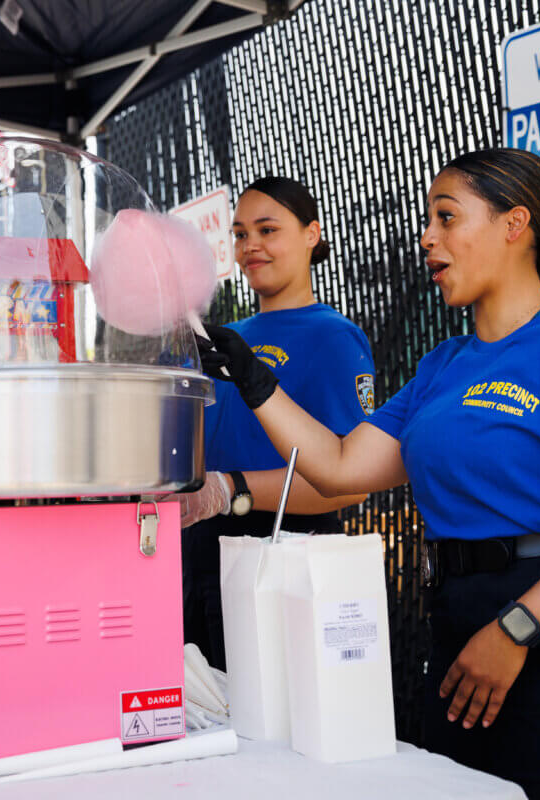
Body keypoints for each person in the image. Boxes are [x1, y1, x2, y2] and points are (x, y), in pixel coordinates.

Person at [196, 149, 540, 798]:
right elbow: (340, 465)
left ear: (514, 225)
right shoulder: (443, 366)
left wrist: (518, 626)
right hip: (466, 630)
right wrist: (254, 379)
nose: (427, 237)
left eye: (447, 217)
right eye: (427, 220)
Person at [177, 177, 374, 671]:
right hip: (201, 556)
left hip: (284, 556)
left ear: (312, 234)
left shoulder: (333, 337)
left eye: (268, 230)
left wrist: (229, 489)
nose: (251, 246)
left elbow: (350, 485)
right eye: (240, 234)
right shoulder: (223, 339)